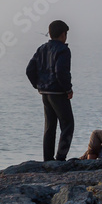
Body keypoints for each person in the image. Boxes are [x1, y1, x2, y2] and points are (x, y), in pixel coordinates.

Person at [26, 20, 74, 161]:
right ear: (63, 34)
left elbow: (29, 70)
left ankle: (47, 159)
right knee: (68, 124)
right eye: (66, 34)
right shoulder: (63, 50)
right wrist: (68, 89)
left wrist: (38, 85)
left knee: (50, 126)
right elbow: (61, 72)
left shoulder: (42, 48)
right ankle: (60, 158)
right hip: (58, 92)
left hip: (45, 93)